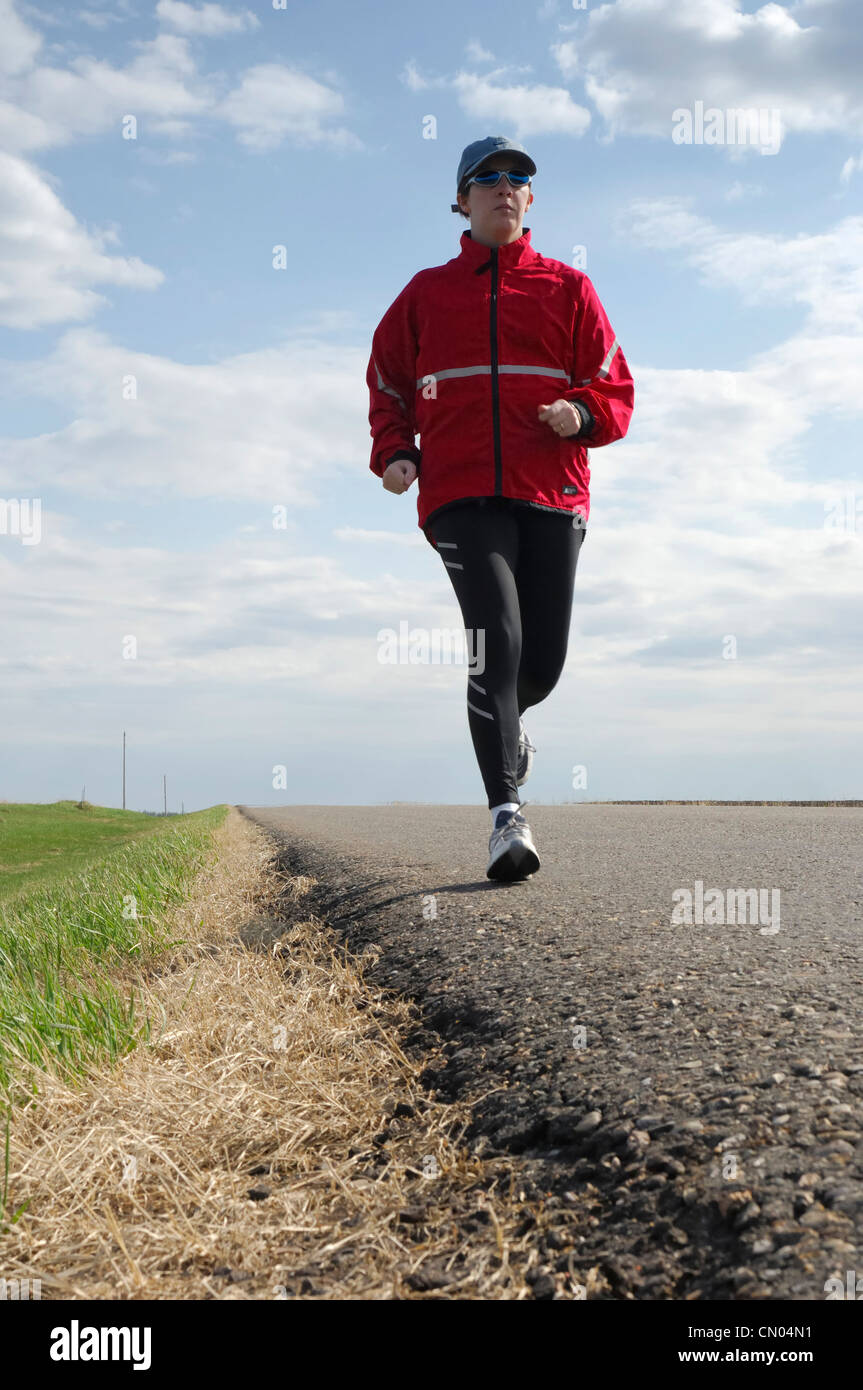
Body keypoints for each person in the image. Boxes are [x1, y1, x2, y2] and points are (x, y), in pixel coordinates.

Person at [366, 136, 634, 881]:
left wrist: (578, 415)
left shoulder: (568, 290)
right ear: (461, 199)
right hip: (458, 495)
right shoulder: (424, 293)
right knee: (498, 637)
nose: (505, 186)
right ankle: (505, 816)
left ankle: (508, 731)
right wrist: (395, 450)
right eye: (488, 178)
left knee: (540, 664)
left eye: (518, 178)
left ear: (530, 199)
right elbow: (387, 384)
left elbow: (615, 392)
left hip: (552, 496)